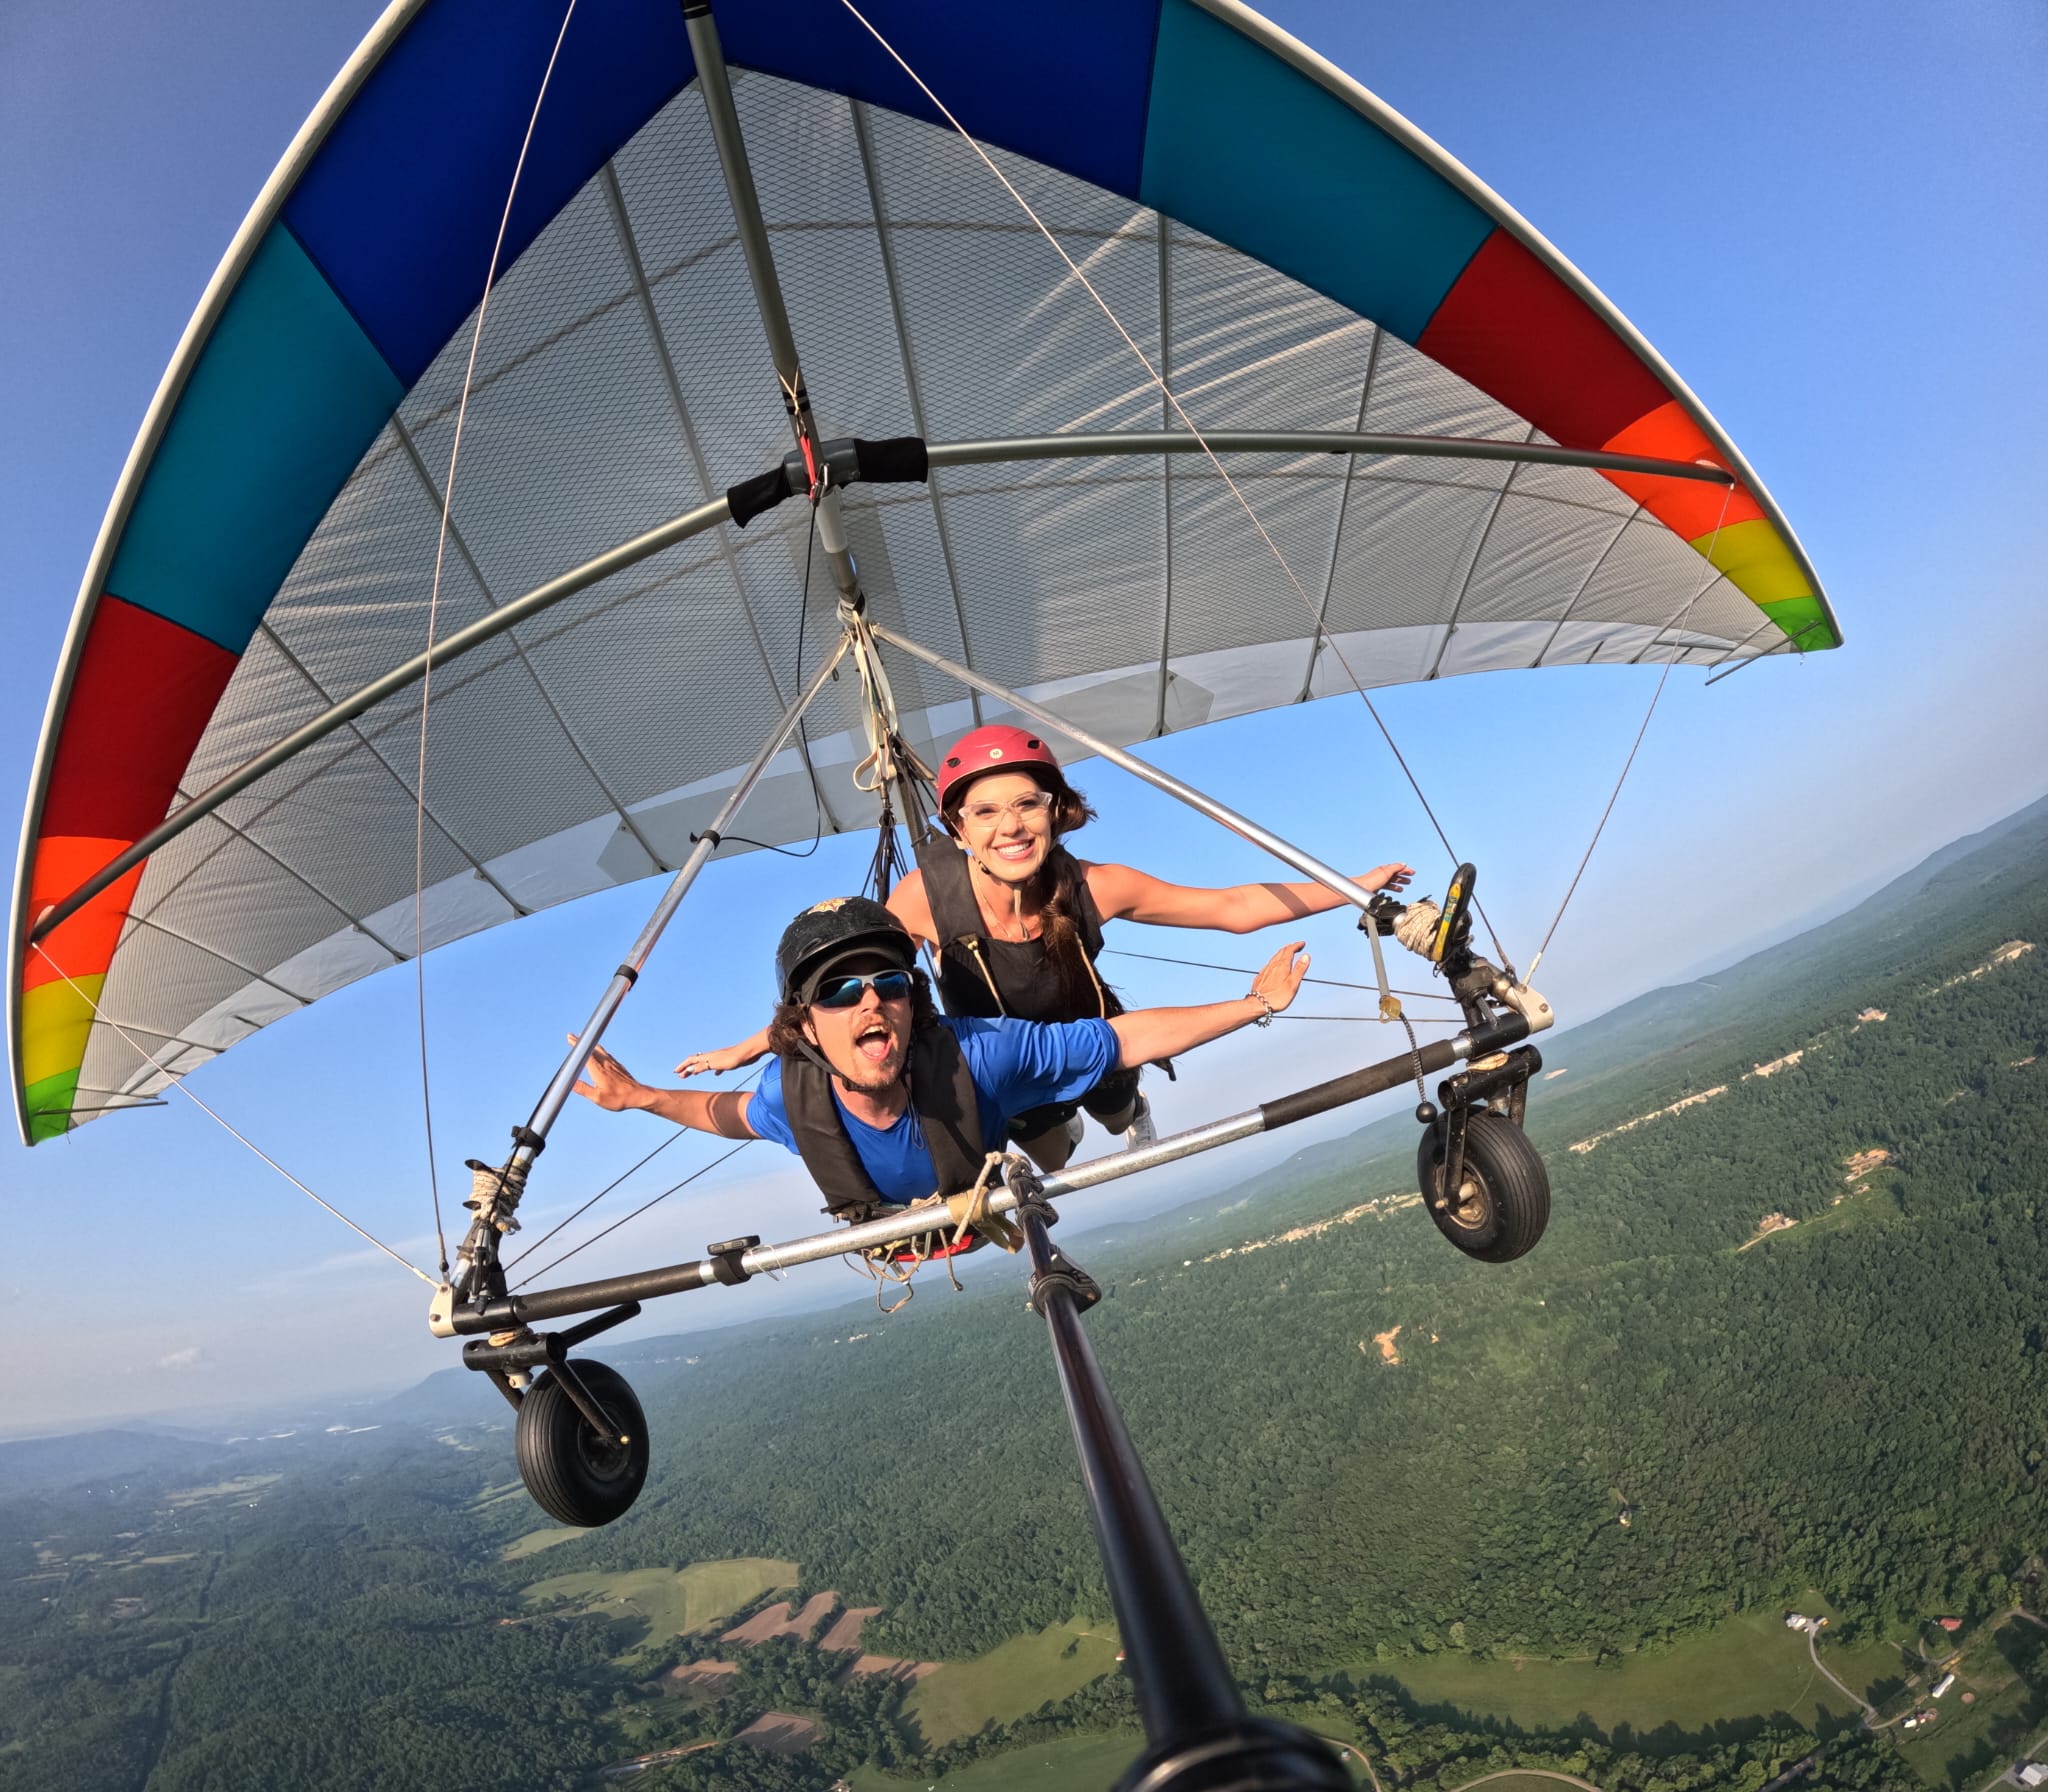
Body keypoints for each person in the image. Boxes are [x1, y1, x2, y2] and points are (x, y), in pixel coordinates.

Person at [677, 724, 1412, 1168]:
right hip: (1007, 1056)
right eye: (986, 812)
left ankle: (1129, 1110)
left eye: (1027, 804)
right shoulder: (927, 898)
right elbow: (843, 986)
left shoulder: (1094, 884)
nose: (1011, 827)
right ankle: (1060, 1128)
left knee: (1118, 1111)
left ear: (1055, 812)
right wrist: (750, 1047)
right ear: (959, 829)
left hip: (1093, 1034)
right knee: (1055, 1154)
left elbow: (1232, 908)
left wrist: (1350, 886)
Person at [572, 896, 1309, 1232]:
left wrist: (1255, 1004)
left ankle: (1074, 1117)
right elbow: (724, 1112)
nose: (870, 1002)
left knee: (1056, 1148)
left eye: (889, 985)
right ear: (804, 1027)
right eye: (839, 992)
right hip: (906, 1211)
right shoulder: (789, 1098)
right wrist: (640, 1097)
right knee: (1046, 1134)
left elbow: (1122, 1038)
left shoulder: (979, 1052)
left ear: (910, 1004)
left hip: (991, 1117)